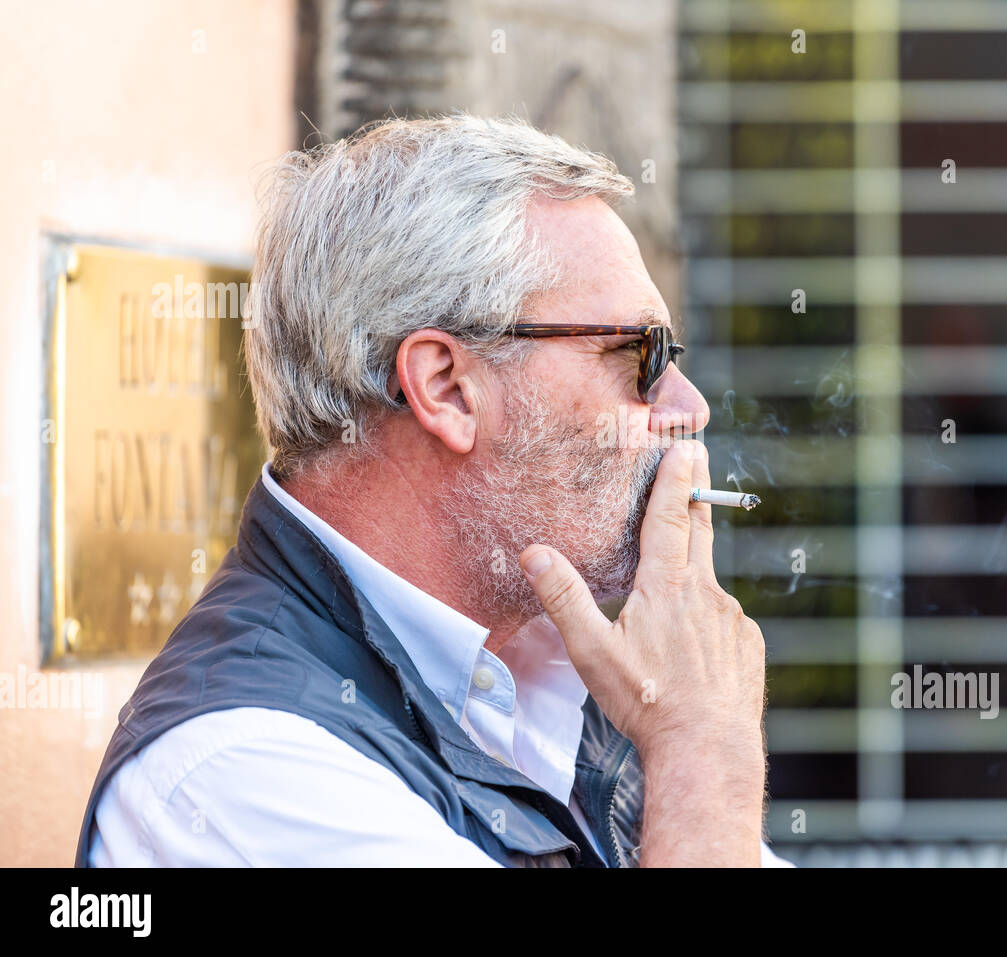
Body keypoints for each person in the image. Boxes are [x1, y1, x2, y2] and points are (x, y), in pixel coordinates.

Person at [74, 113, 792, 867]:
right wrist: (702, 752)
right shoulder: (240, 768)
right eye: (639, 354)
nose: (689, 408)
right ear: (447, 387)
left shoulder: (552, 669)